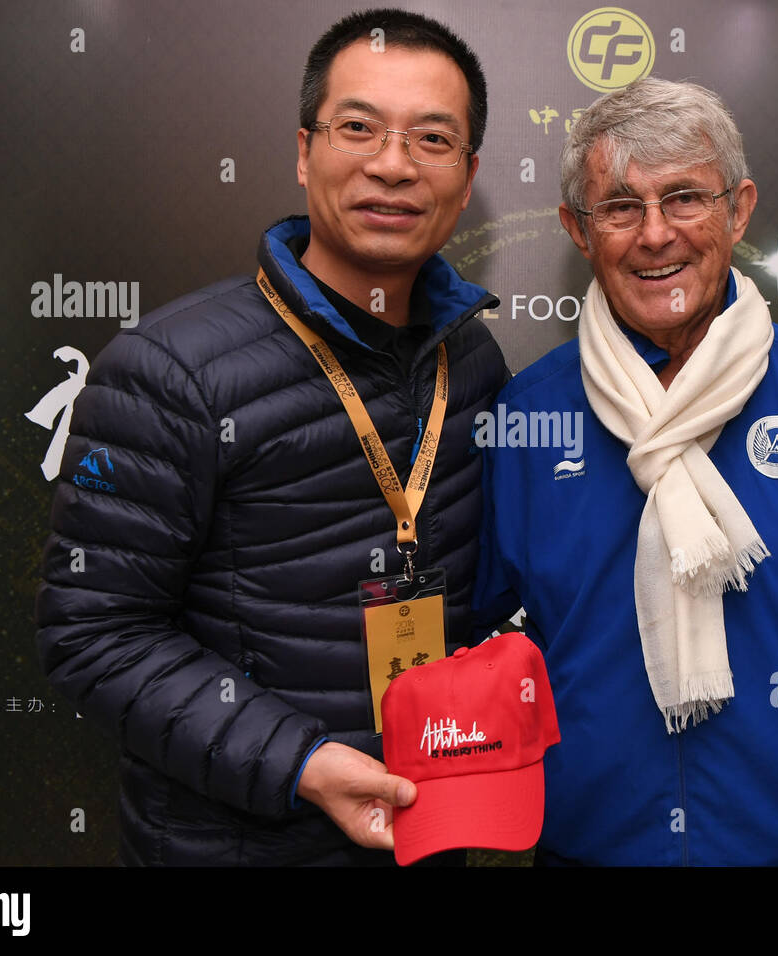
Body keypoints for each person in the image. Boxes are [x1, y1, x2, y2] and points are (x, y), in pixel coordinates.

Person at [36, 8, 506, 866]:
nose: (393, 165)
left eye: (432, 139)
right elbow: (92, 631)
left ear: (468, 176)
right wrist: (302, 764)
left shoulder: (470, 356)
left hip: (430, 827)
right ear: (303, 151)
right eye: (358, 127)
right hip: (240, 842)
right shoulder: (168, 369)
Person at [473, 78, 778, 866]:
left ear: (739, 210)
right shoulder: (528, 420)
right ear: (577, 229)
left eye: (686, 199)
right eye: (621, 207)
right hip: (590, 850)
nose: (656, 235)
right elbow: (467, 636)